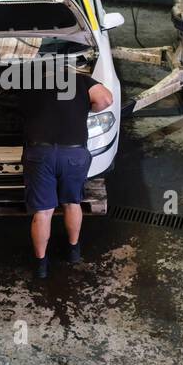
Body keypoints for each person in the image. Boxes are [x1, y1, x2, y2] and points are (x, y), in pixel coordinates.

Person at [15, 60, 115, 279]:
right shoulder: (80, 80)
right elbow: (106, 99)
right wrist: (86, 108)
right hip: (74, 154)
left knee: (43, 213)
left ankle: (41, 264)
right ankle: (73, 251)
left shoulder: (26, 85)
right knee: (72, 203)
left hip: (40, 154)